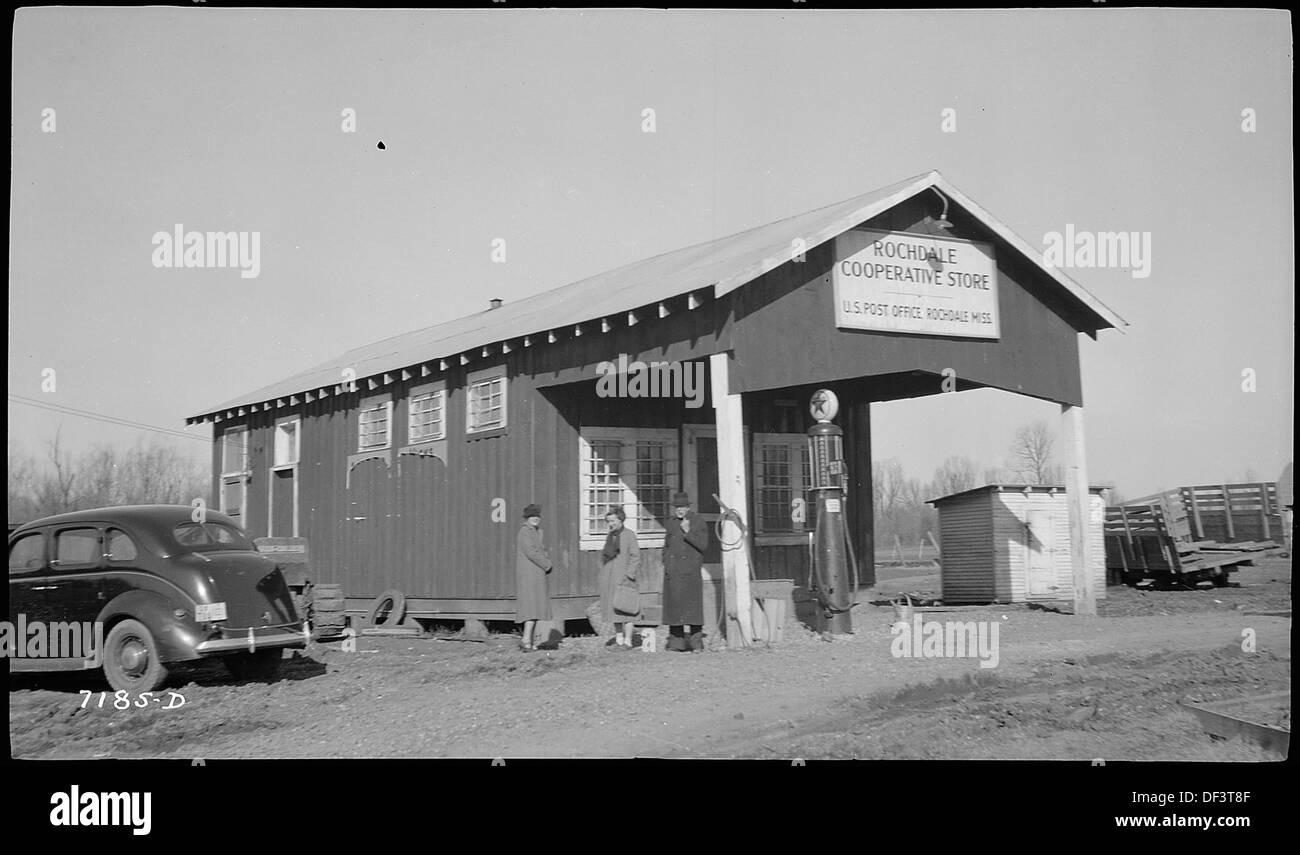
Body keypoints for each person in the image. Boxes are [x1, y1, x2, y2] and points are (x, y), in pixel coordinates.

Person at [662, 491, 708, 652]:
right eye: (677, 507)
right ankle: (677, 643)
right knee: (674, 608)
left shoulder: (698, 521)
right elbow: (666, 545)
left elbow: (703, 545)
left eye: (682, 507)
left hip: (690, 572)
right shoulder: (671, 522)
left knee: (693, 609)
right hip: (673, 572)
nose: (679, 510)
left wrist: (688, 532)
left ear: (688, 507)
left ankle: (696, 644)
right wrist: (666, 563)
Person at [599, 507, 640, 650]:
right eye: (608, 521)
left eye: (613, 520)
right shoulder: (611, 536)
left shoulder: (629, 535)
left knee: (627, 611)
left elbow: (635, 556)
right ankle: (619, 640)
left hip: (625, 579)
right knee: (614, 611)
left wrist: (629, 575)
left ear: (621, 519)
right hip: (611, 579)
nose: (611, 524)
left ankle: (628, 641)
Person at [515, 503, 553, 651]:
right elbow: (531, 552)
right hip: (529, 575)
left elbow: (540, 550)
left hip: (536, 574)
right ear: (527, 518)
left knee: (535, 607)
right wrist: (547, 564)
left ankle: (528, 640)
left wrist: (545, 561)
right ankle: (526, 640)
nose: (536, 519)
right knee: (531, 607)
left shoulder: (536, 532)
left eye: (537, 516)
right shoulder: (525, 532)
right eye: (532, 516)